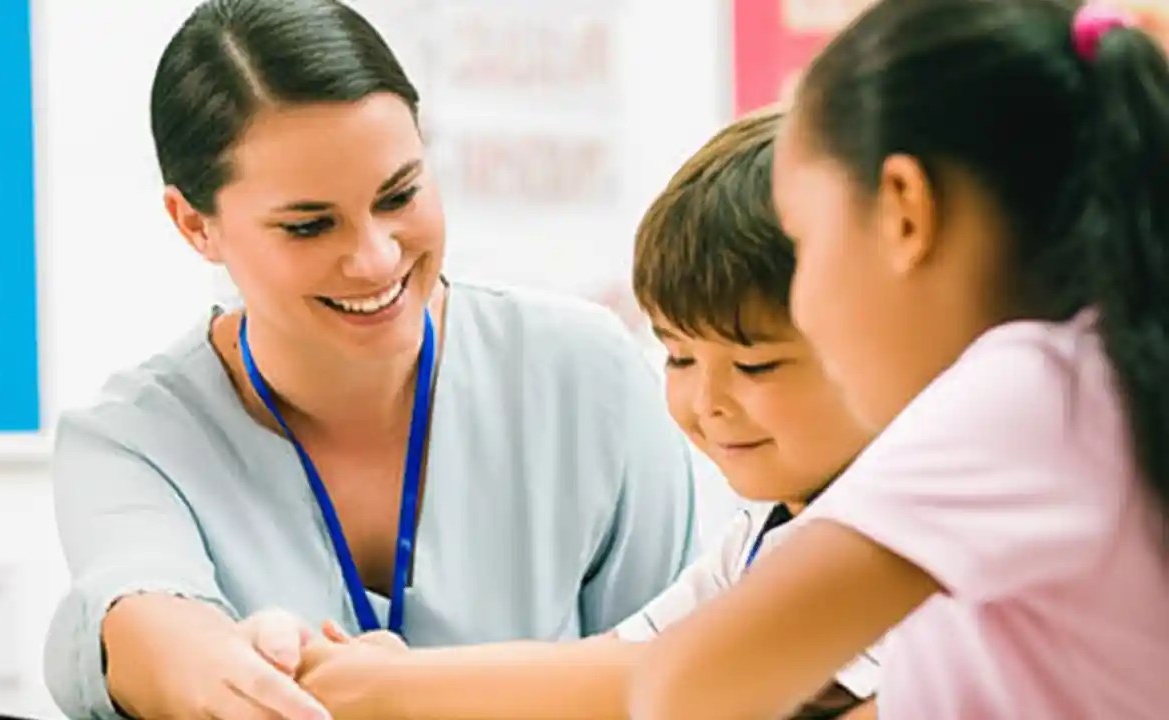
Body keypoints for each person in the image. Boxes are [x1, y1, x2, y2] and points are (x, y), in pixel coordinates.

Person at [42, 1, 696, 718]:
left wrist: (400, 693)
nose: (376, 257)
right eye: (309, 225)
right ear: (195, 224)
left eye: (401, 194)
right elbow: (148, 627)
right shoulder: (130, 441)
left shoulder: (587, 376)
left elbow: (691, 670)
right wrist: (234, 677)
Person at [631, 1, 1169, 718]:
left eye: (807, 239)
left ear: (905, 211)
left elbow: (683, 690)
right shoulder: (1105, 374)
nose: (808, 307)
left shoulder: (1025, 393)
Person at [292, 108, 883, 720]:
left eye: (755, 367)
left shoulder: (902, 534)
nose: (708, 402)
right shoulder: (759, 541)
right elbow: (614, 662)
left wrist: (397, 688)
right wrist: (393, 677)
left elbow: (671, 680)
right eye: (679, 359)